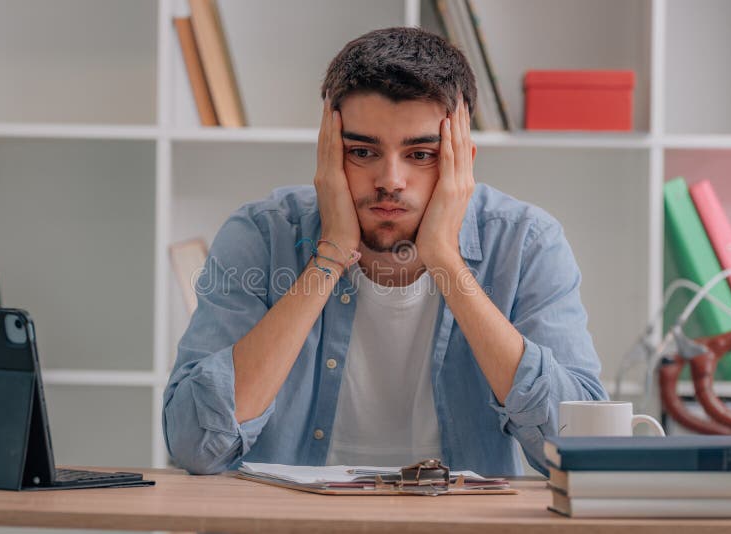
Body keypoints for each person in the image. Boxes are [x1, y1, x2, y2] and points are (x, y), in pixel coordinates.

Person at [163, 26, 608, 476]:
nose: (390, 180)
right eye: (362, 151)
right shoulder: (260, 235)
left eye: (420, 155)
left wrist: (445, 260)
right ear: (328, 154)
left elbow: (580, 448)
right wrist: (330, 256)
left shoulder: (527, 243)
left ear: (463, 160)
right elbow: (195, 444)